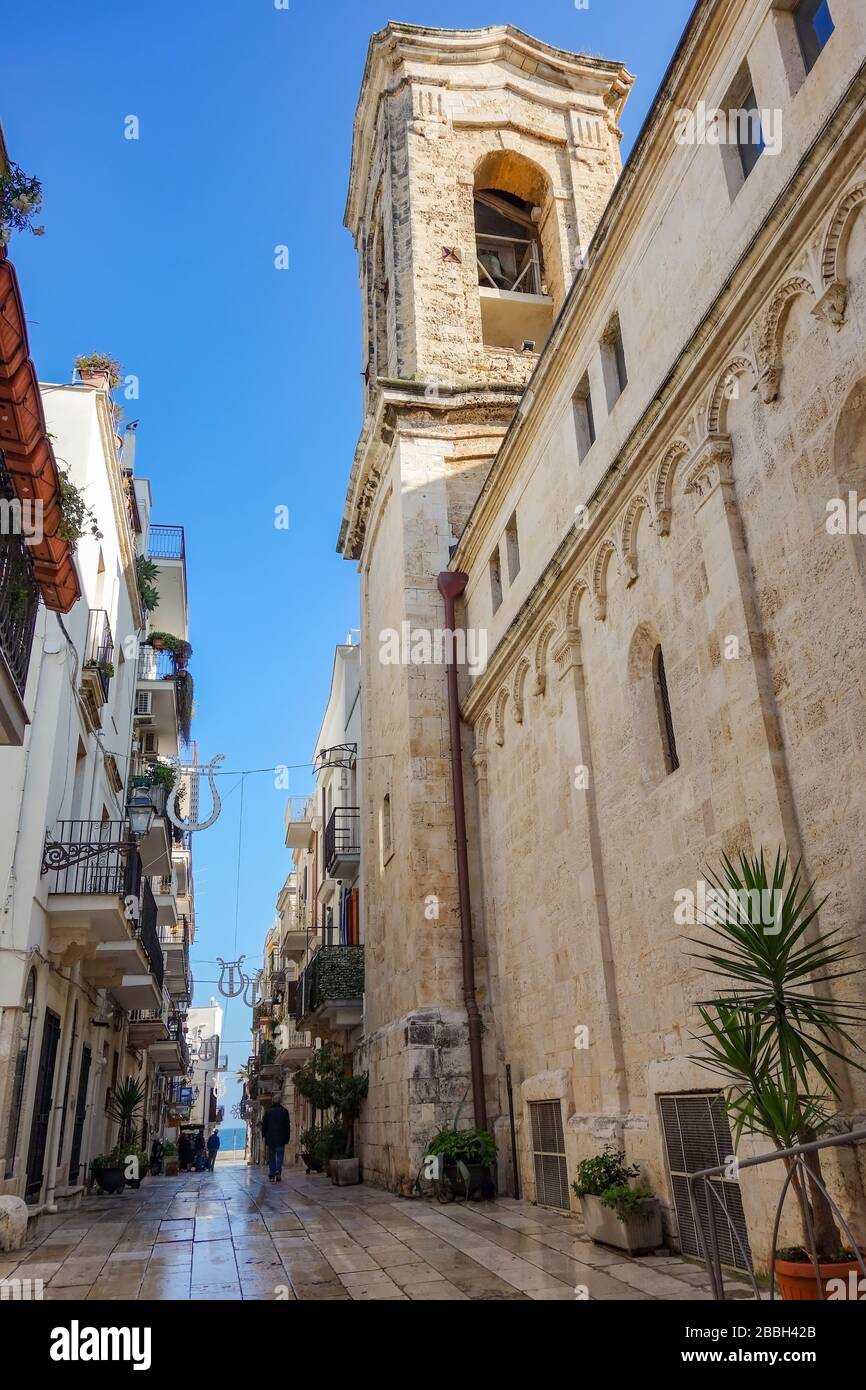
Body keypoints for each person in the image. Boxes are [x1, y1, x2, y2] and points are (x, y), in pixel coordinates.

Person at [261, 1099, 291, 1182]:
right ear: (280, 1102)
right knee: (280, 1155)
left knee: (271, 1157)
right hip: (281, 1138)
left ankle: (272, 1174)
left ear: (273, 1102)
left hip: (270, 1138)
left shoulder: (268, 1112)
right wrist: (287, 1137)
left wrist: (263, 1135)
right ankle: (278, 1170)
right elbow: (287, 1126)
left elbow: (264, 1125)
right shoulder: (284, 1111)